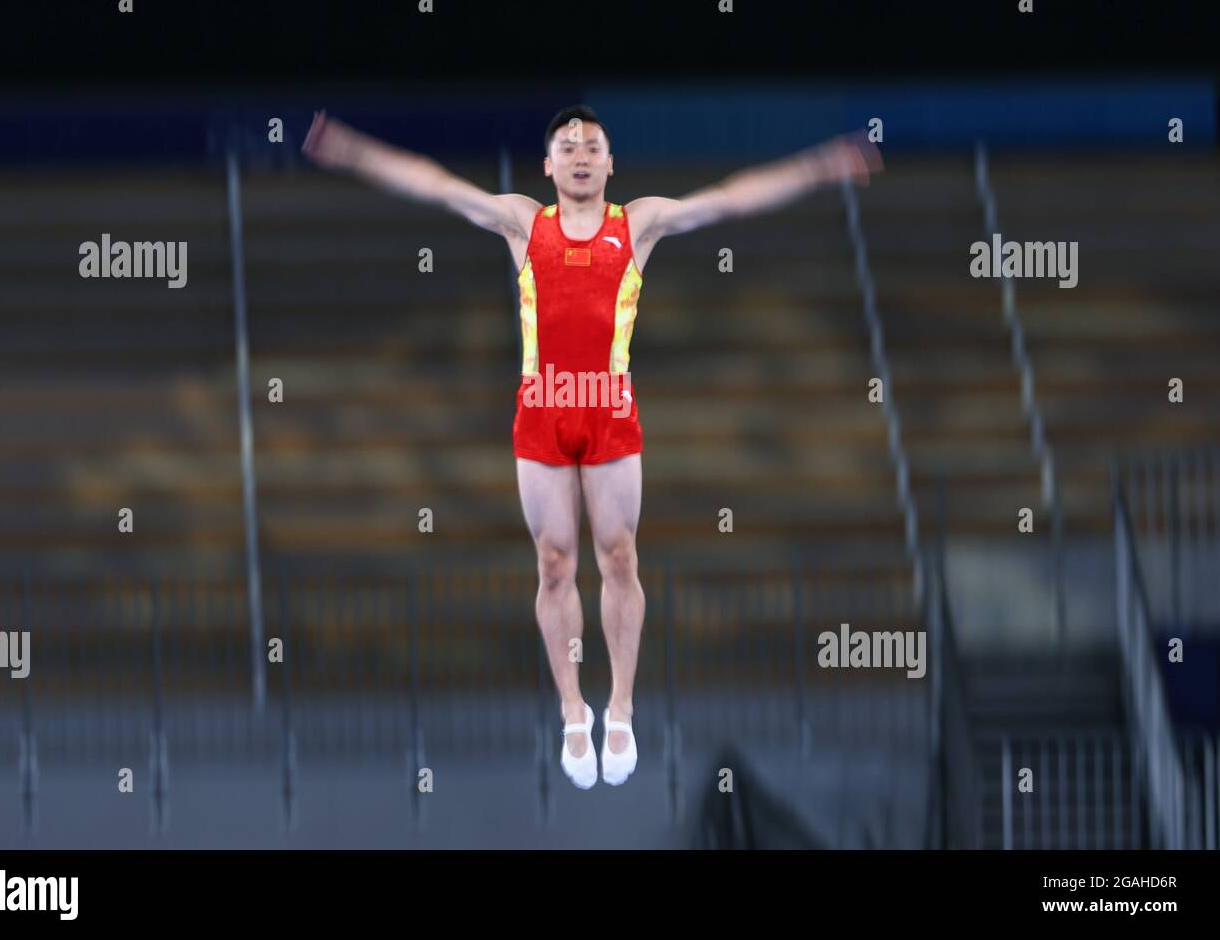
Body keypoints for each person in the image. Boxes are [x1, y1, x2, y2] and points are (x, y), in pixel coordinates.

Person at [301, 104, 882, 788]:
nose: (580, 154)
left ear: (611, 163)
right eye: (567, 146)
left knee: (619, 556)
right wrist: (357, 154)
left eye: (593, 145)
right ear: (547, 165)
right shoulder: (524, 220)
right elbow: (434, 183)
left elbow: (728, 199)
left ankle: (622, 706)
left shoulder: (638, 223)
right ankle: (573, 708)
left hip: (608, 409)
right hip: (542, 408)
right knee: (553, 564)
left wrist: (817, 167)